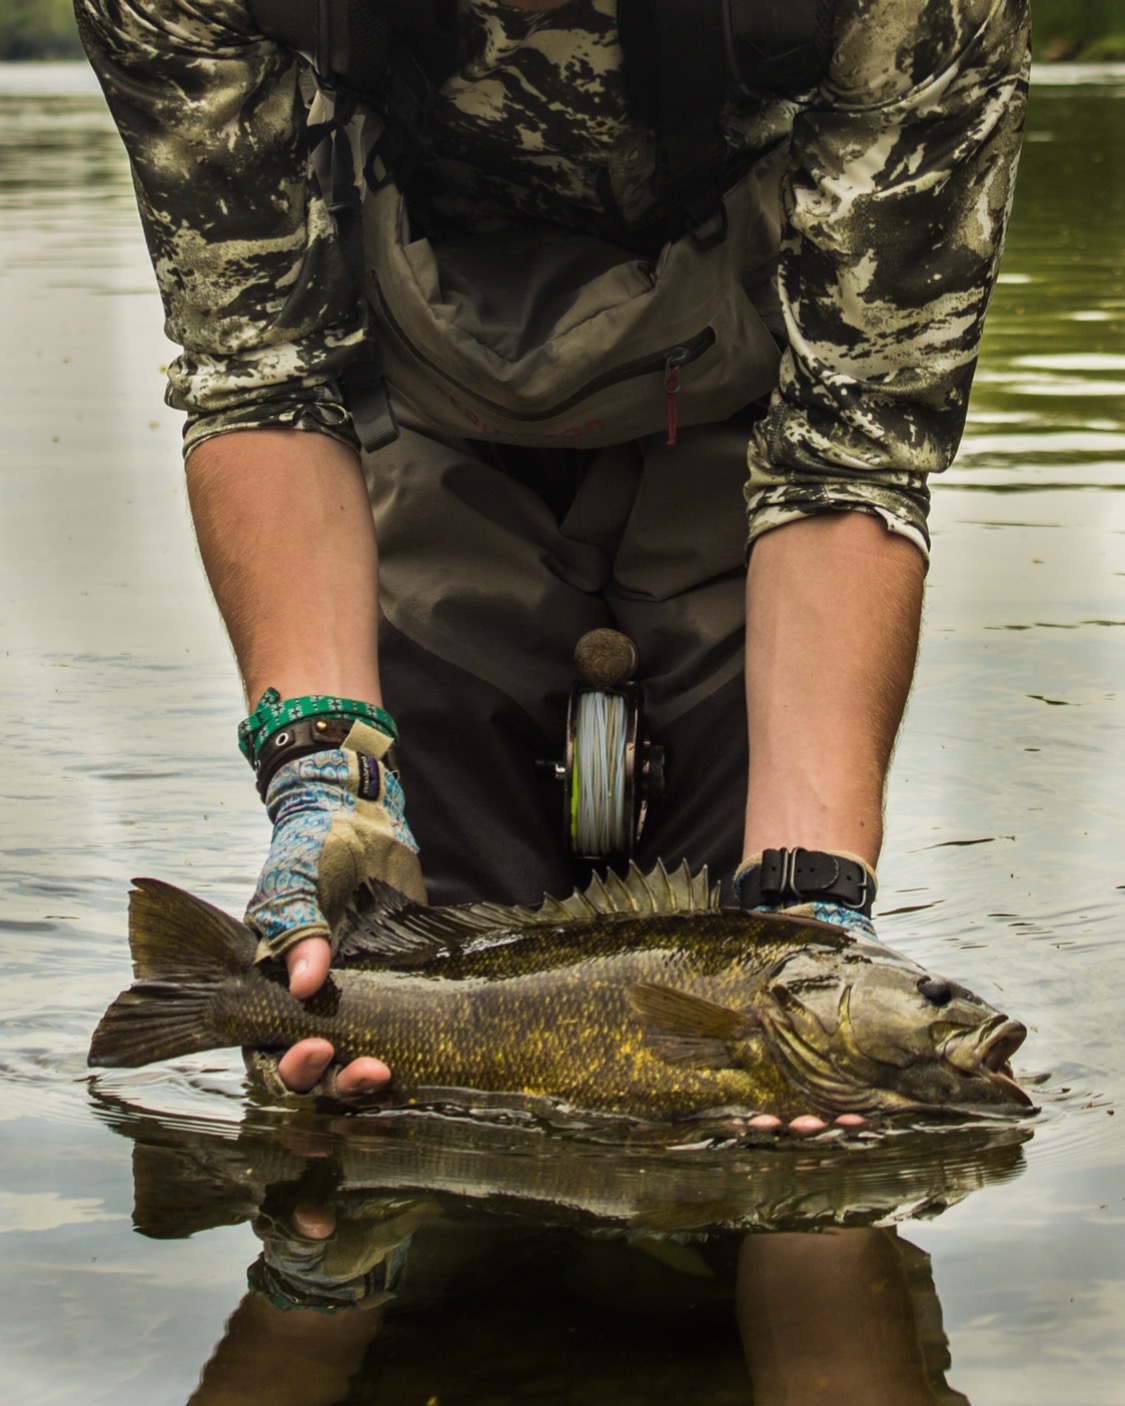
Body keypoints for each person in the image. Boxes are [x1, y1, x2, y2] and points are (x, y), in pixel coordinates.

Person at [76, 0, 1030, 1112]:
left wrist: (808, 904)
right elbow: (264, 375)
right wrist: (326, 775)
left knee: (766, 1104)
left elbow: (851, 455)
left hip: (756, 418)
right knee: (392, 1037)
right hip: (404, 412)